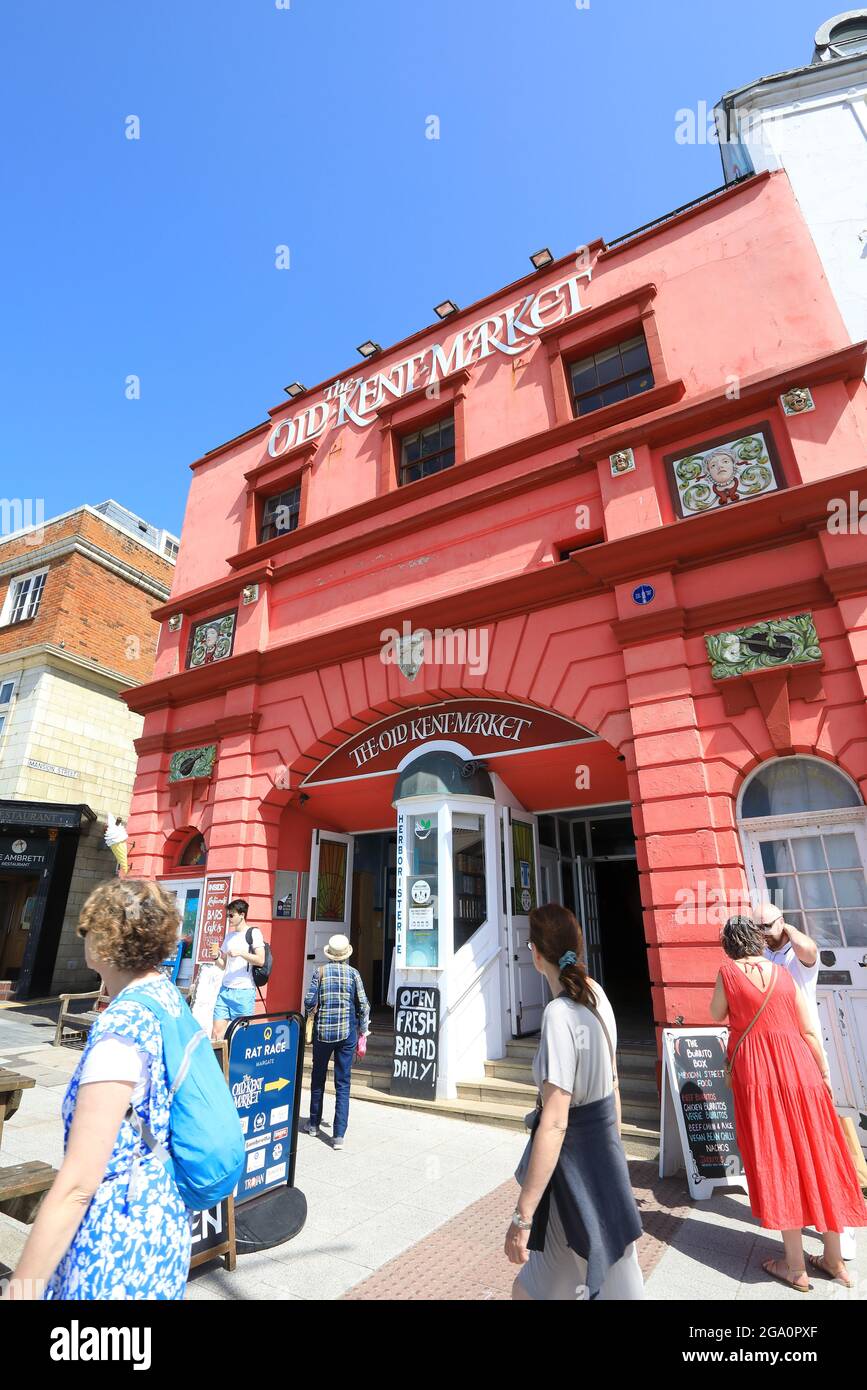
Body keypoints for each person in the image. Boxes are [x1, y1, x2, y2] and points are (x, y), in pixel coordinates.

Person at [3, 880, 192, 1300]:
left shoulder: (121, 1029)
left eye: (88, 931)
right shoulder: (165, 997)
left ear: (104, 941)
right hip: (162, 1213)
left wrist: (24, 1288)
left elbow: (78, 1184)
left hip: (117, 1234)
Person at [710, 916, 866, 1291]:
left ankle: (794, 1265)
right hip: (800, 1067)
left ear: (730, 945)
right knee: (819, 1153)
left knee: (776, 1154)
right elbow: (809, 1028)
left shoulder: (728, 974)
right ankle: (833, 1258)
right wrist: (824, 1073)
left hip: (758, 1072)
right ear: (756, 938)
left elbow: (716, 1014)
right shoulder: (784, 973)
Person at [506, 904, 644, 1301]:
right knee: (536, 1288)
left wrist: (522, 1215)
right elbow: (614, 1084)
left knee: (543, 1289)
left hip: (574, 1171)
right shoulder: (597, 995)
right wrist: (613, 1154)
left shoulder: (557, 1015)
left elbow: (555, 1121)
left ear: (534, 953)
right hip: (600, 1160)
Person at [752, 899, 858, 1266]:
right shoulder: (766, 960)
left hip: (808, 1052)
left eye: (768, 926)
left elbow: (810, 950)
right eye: (759, 928)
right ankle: (824, 1222)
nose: (764, 933)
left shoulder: (796, 958)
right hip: (785, 1058)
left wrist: (787, 927)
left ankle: (843, 1232)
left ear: (782, 922)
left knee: (827, 1139)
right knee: (808, 1141)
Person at [303, 934, 370, 1150]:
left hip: (323, 1033)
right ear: (346, 954)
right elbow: (364, 1005)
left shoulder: (319, 972)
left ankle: (313, 1124)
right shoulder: (353, 974)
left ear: (330, 954)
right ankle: (338, 1135)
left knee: (318, 1078)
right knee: (343, 1083)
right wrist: (363, 1029)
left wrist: (312, 1012)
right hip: (346, 1034)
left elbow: (309, 1001)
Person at [211, 899, 265, 1042]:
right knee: (217, 1034)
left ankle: (237, 1064)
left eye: (231, 915)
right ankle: (220, 1064)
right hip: (225, 990)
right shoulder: (229, 936)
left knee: (241, 1036)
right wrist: (216, 956)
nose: (228, 918)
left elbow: (261, 960)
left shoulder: (254, 933)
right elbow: (223, 965)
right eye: (228, 915)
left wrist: (241, 953)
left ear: (242, 915)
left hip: (244, 991)